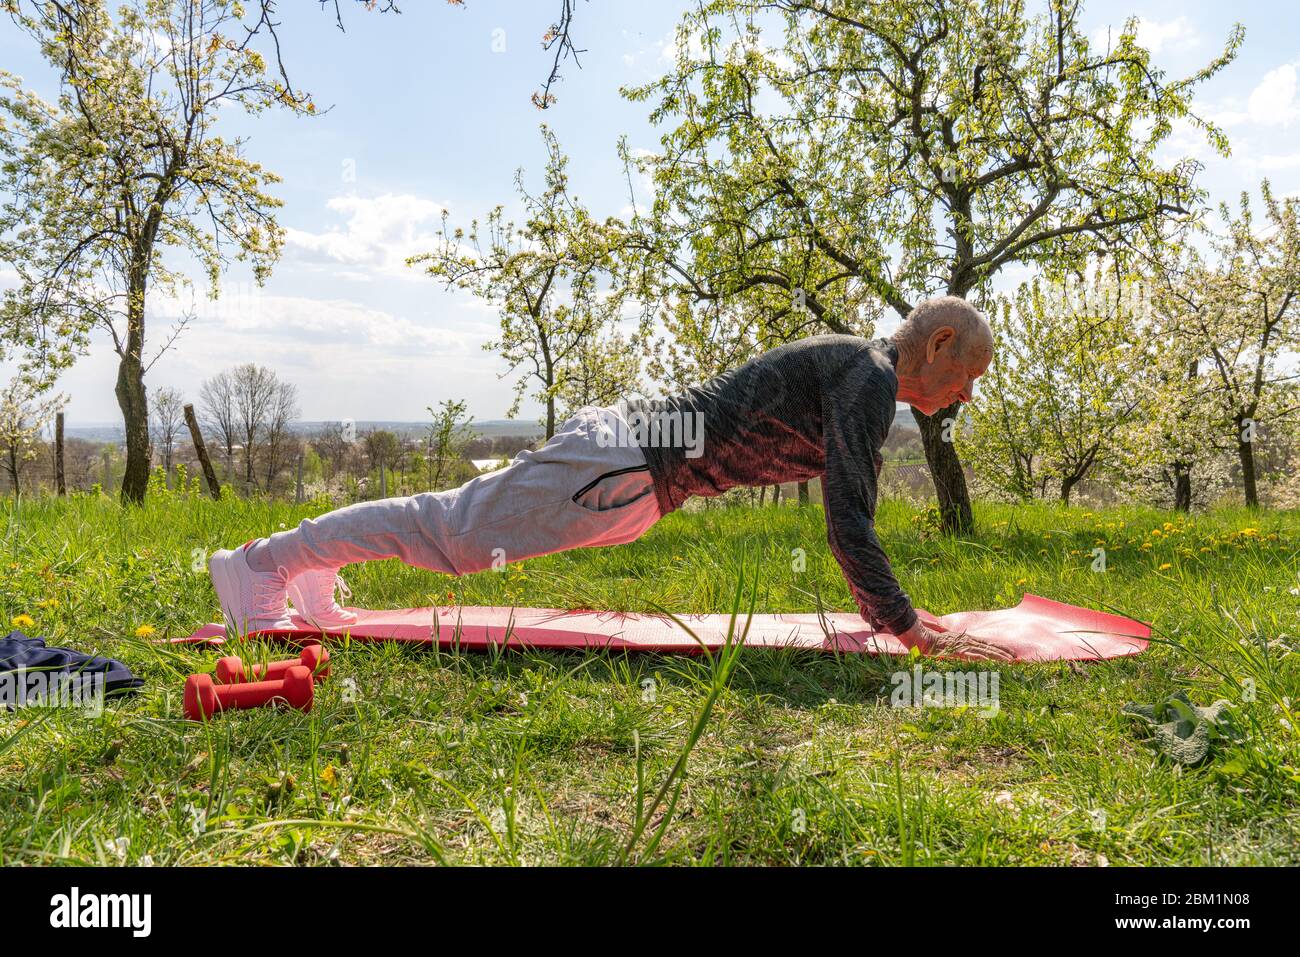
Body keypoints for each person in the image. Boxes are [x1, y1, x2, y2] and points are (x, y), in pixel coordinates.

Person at [208, 294, 1011, 660]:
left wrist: (891, 613)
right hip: (621, 463)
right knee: (452, 532)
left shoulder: (865, 379)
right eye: (969, 374)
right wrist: (907, 627)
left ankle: (312, 570)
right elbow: (849, 523)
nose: (966, 395)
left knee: (449, 526)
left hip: (633, 479)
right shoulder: (869, 378)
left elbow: (852, 510)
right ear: (938, 343)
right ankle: (261, 563)